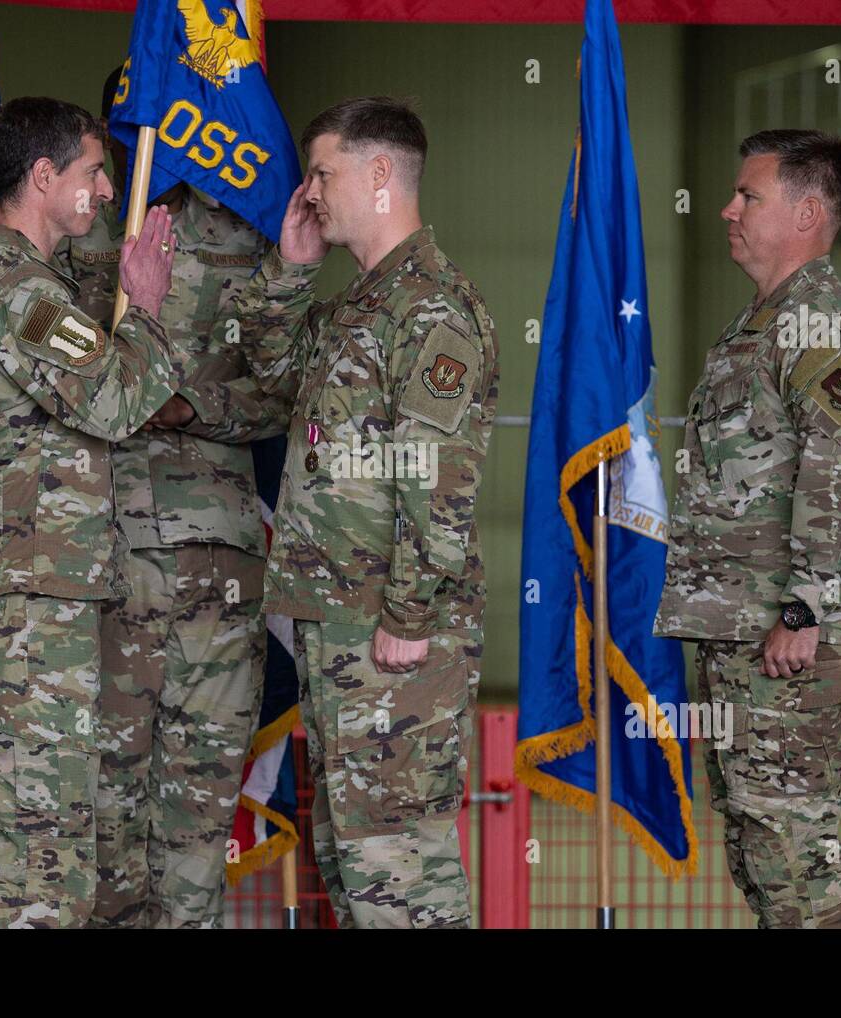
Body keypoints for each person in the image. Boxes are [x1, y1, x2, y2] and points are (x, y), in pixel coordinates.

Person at [232, 96, 499, 928]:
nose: (310, 191)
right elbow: (270, 376)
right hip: (336, 627)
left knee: (401, 871)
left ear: (380, 174)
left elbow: (441, 481)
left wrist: (410, 613)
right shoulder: (358, 306)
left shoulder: (432, 309)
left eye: (323, 172)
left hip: (392, 637)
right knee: (354, 867)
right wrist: (292, 268)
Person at [0, 96, 183, 929]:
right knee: (42, 861)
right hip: (23, 616)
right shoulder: (18, 294)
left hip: (23, 607)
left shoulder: (11, 284)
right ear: (43, 179)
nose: (108, 191)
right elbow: (114, 401)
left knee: (34, 850)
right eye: (93, 172)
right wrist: (144, 306)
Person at [57, 69, 287, 928]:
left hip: (213, 578)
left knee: (194, 831)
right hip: (102, 573)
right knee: (102, 824)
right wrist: (125, 388)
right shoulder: (70, 242)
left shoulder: (241, 233)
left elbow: (279, 389)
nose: (135, 143)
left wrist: (191, 404)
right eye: (124, 128)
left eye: (153, 122)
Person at [654, 129, 841, 928]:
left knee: (794, 850)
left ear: (807, 211)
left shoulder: (823, 324)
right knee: (762, 847)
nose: (727, 209)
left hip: (789, 636)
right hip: (743, 631)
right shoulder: (764, 322)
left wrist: (805, 608)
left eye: (748, 196)